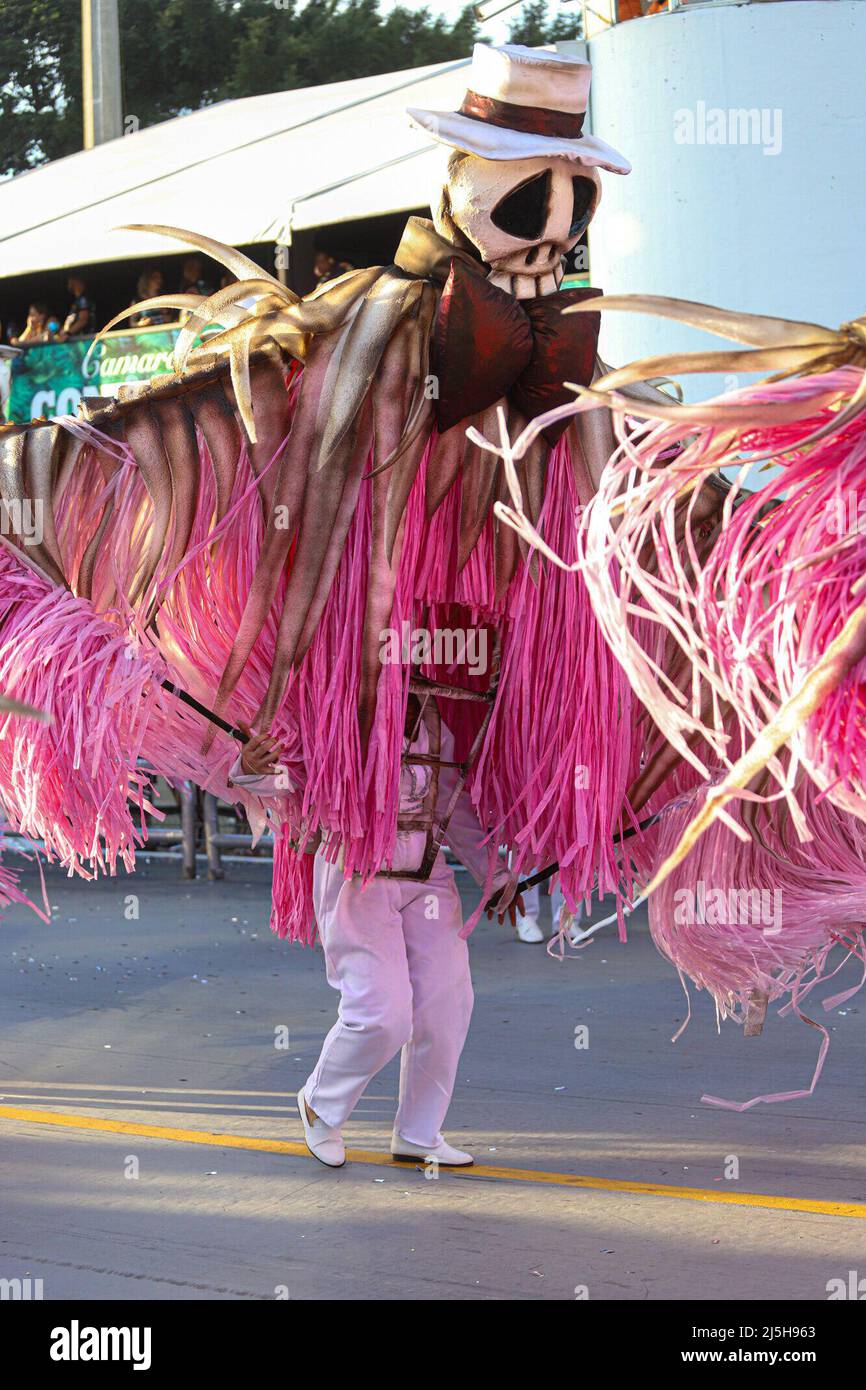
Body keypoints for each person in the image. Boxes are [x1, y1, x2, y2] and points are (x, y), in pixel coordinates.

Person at [230, 693, 523, 1170]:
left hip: (427, 877)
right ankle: (319, 1104)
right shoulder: (331, 711)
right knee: (381, 1013)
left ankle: (418, 1131)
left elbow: (451, 803)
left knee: (447, 1003)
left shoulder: (432, 719)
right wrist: (249, 765)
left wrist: (495, 874)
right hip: (356, 875)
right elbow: (292, 784)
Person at [58, 274, 96, 339]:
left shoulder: (83, 299)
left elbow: (83, 320)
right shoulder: (78, 301)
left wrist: (68, 333)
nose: (69, 283)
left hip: (84, 340)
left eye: (70, 280)